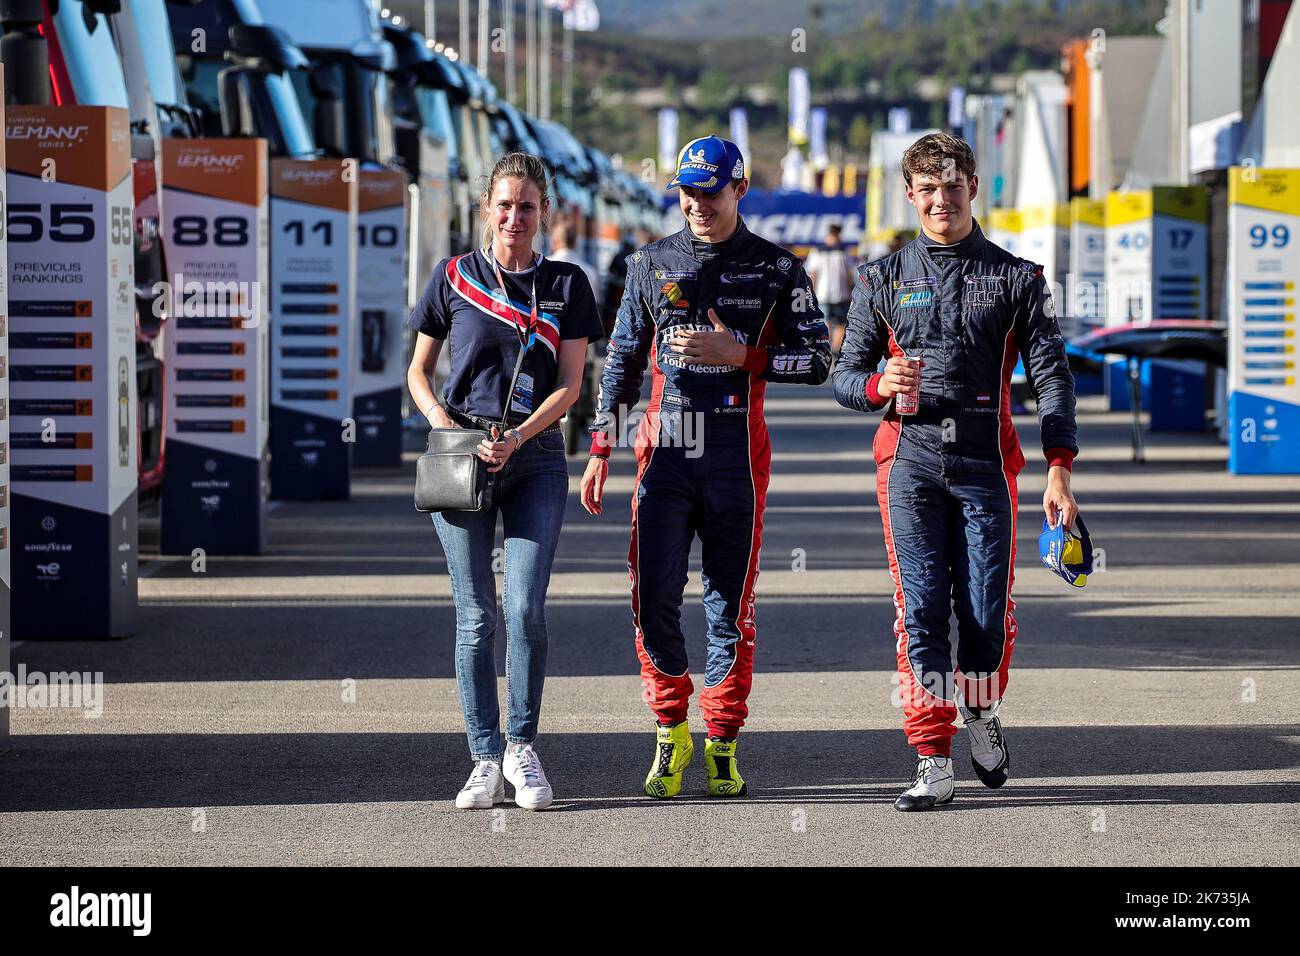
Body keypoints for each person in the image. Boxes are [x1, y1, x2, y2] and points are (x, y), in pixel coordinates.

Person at [833, 132, 1080, 811]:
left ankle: (981, 711)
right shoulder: (881, 279)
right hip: (907, 464)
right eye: (929, 188)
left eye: (953, 185)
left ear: (973, 188)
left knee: (983, 616)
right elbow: (844, 378)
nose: (942, 198)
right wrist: (880, 383)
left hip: (984, 465)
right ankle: (932, 759)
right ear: (910, 195)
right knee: (919, 613)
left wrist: (1060, 465)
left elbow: (1054, 379)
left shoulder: (1018, 278)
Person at [580, 135, 831, 799]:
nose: (696, 204)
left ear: (739, 190)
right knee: (650, 595)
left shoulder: (778, 269)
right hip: (663, 456)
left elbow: (822, 364)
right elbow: (621, 362)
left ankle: (722, 739)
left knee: (731, 607)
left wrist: (740, 353)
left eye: (709, 192)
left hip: (735, 459)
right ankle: (670, 728)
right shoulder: (650, 262)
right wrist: (602, 446)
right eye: (686, 192)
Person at [407, 152, 604, 811]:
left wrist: (516, 438)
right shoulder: (454, 277)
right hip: (460, 456)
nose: (515, 216)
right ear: (485, 209)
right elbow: (417, 371)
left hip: (536, 456)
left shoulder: (567, 285)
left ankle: (522, 748)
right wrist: (440, 420)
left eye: (527, 206)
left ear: (543, 212)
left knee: (522, 608)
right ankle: (483, 759)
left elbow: (573, 385)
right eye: (504, 204)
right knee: (474, 616)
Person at [803, 222, 856, 355]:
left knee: (825, 323)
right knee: (840, 324)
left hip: (823, 294)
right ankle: (834, 352)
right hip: (841, 294)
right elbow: (850, 274)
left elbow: (813, 274)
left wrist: (811, 292)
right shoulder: (843, 251)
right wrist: (852, 289)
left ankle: (825, 350)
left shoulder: (817, 251)